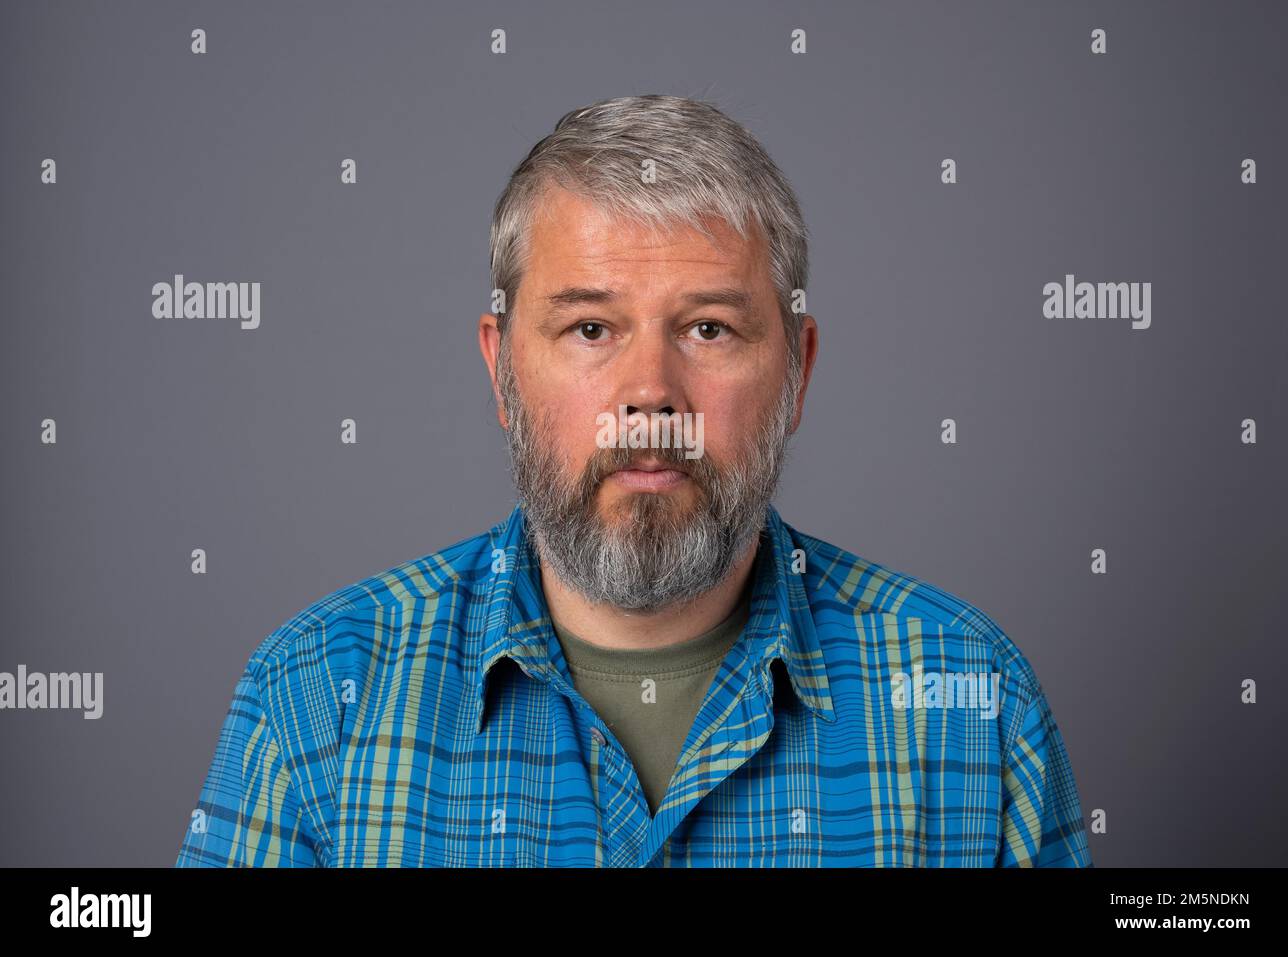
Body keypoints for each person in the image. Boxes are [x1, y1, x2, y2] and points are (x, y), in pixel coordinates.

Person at [176, 94, 1092, 867]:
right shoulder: (312, 699)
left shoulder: (972, 701)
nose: (651, 394)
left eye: (708, 329)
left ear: (798, 371)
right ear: (502, 370)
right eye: (590, 330)